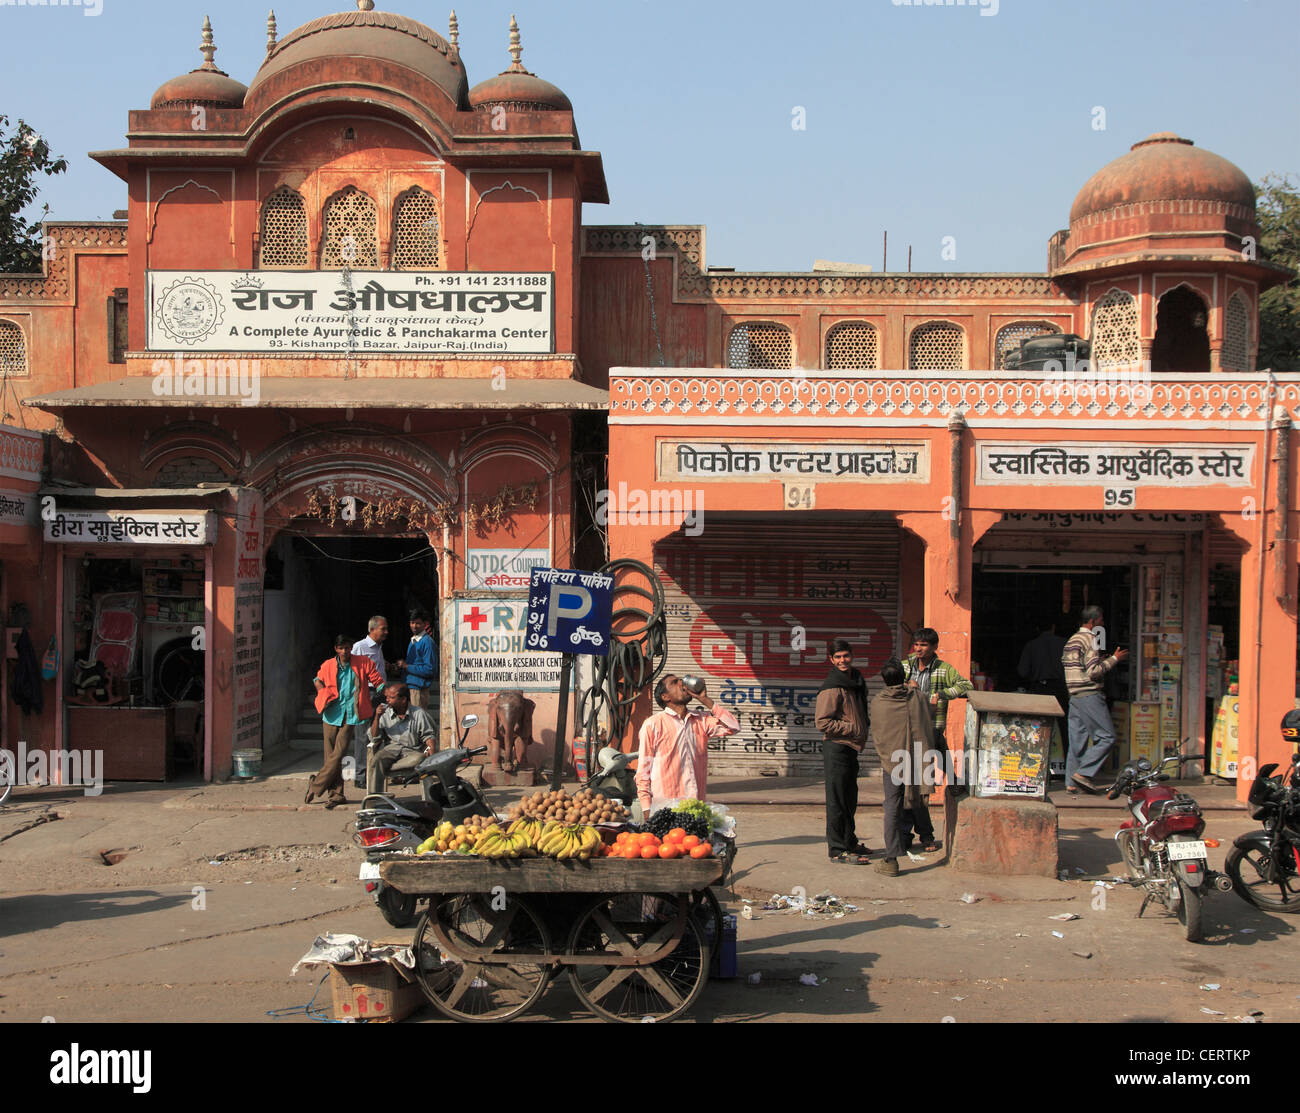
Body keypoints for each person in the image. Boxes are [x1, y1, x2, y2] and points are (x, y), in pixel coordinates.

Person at [902, 627, 972, 852]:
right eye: (917, 644)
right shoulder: (906, 666)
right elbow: (891, 687)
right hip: (908, 732)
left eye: (924, 645)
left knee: (921, 787)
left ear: (934, 647)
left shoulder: (943, 669)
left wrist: (943, 695)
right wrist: (906, 687)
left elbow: (966, 686)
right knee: (910, 787)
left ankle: (921, 834)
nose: (919, 649)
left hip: (931, 729)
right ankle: (915, 834)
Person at [635, 674, 739, 816]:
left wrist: (705, 700)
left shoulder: (701, 720)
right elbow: (643, 771)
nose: (681, 683)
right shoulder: (653, 724)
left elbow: (733, 727)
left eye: (681, 680)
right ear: (666, 697)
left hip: (695, 805)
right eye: (674, 682)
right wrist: (646, 808)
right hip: (665, 807)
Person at [870, 660, 938, 876]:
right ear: (904, 677)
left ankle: (891, 859)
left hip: (893, 761)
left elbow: (879, 731)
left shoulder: (879, 701)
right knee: (915, 797)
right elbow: (928, 718)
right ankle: (922, 836)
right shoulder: (917, 697)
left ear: (884, 679)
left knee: (892, 805)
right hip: (917, 759)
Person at [306, 635, 384, 808]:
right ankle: (336, 795)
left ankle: (316, 784)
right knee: (330, 756)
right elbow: (317, 679)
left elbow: (378, 681)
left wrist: (380, 694)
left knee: (339, 753)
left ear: (351, 648)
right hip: (331, 713)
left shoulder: (363, 662)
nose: (345, 651)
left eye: (347, 648)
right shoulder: (328, 665)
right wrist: (322, 693)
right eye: (341, 648)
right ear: (336, 649)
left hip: (352, 714)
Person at [814, 638, 872, 865]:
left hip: (851, 748)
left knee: (849, 799)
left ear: (852, 656)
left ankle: (849, 841)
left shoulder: (856, 679)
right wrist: (852, 728)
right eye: (837, 657)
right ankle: (837, 849)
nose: (842, 660)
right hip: (837, 747)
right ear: (831, 660)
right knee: (837, 801)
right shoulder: (832, 686)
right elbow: (822, 722)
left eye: (845, 656)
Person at [1062, 605, 1128, 794]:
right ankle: (1083, 773)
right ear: (1093, 621)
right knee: (1107, 736)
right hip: (1089, 695)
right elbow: (1093, 672)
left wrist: (1101, 660)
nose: (1103, 623)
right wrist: (1114, 659)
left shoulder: (1072, 639)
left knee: (1077, 740)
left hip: (1074, 695)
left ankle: (1071, 783)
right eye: (1101, 620)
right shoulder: (1090, 639)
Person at [351, 616, 403, 790]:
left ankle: (377, 770)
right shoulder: (360, 647)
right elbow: (353, 672)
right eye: (383, 629)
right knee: (362, 735)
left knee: (380, 732)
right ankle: (360, 775)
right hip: (367, 693)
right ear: (372, 629)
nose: (386, 632)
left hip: (380, 693)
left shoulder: (378, 647)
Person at [366, 681, 438, 795]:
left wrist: (432, 752)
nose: (387, 700)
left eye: (392, 697)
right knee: (376, 760)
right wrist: (377, 716)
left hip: (412, 752)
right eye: (387, 697)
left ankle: (395, 770)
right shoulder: (384, 714)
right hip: (390, 750)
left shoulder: (418, 714)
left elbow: (429, 736)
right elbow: (374, 737)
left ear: (403, 700)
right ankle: (375, 799)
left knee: (420, 759)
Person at [1018, 617, 1068, 713]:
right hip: (1060, 689)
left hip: (1039, 689)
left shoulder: (1031, 645)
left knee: (1040, 721)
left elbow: (1023, 671)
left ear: (1037, 629)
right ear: (1053, 627)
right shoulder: (1064, 643)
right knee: (1062, 721)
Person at [404, 609, 437, 711]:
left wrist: (407, 667)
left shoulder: (427, 642)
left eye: (418, 623)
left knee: (418, 720)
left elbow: (430, 669)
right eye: (412, 623)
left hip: (419, 689)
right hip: (411, 687)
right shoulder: (413, 640)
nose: (414, 626)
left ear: (425, 624)